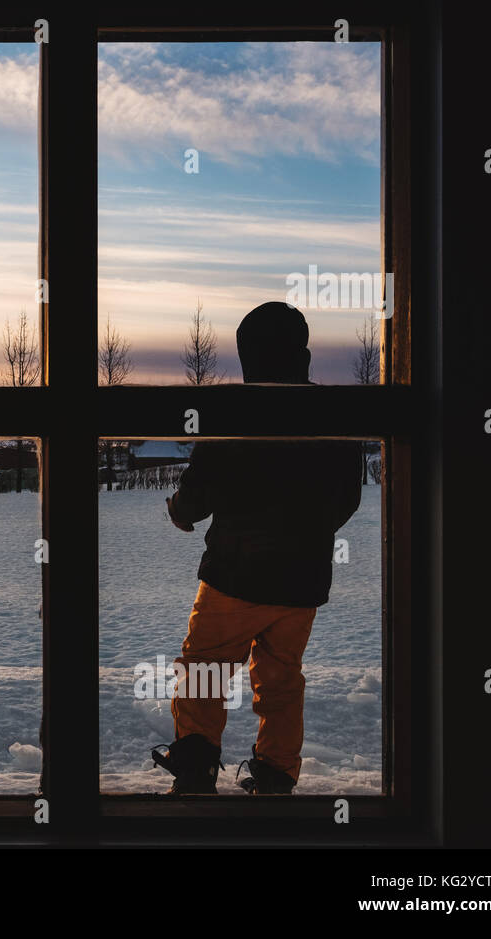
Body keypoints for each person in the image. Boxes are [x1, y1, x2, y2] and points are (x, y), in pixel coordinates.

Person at [151, 302, 363, 794]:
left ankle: (197, 767)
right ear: (302, 353)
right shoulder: (336, 415)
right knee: (282, 676)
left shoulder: (234, 410)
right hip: (303, 580)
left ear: (249, 355)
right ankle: (276, 772)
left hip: (234, 575)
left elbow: (198, 493)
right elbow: (346, 499)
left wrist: (179, 512)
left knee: (204, 665)